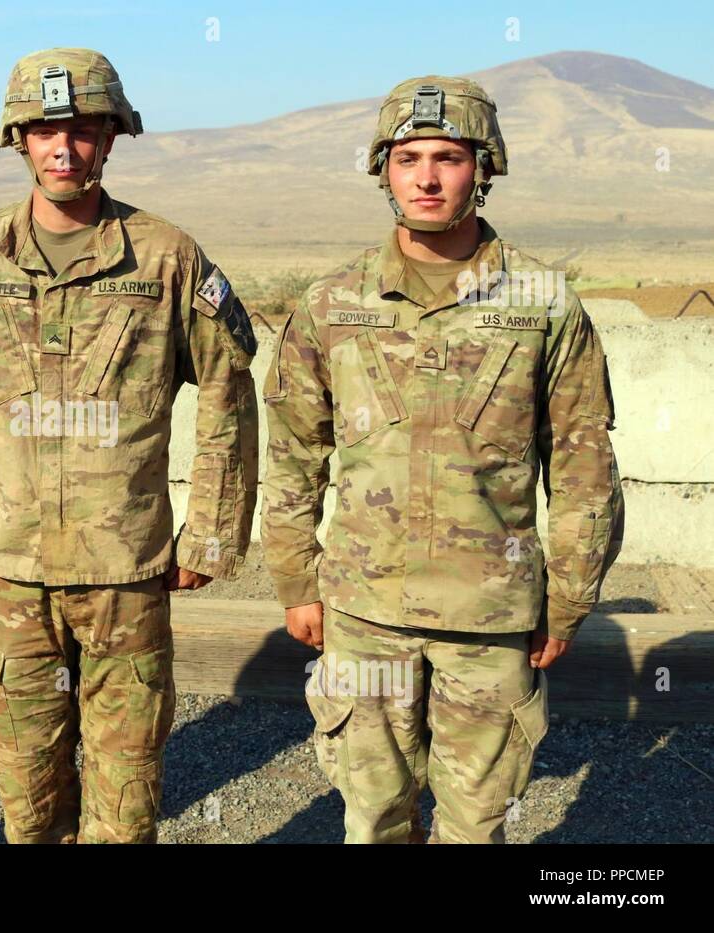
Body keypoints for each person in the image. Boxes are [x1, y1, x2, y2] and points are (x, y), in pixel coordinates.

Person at [0, 48, 259, 843]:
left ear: (111, 136)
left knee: (126, 806)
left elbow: (229, 398)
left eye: (82, 129)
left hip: (125, 577)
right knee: (28, 804)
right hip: (9, 572)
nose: (63, 148)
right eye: (43, 131)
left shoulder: (167, 257)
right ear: (18, 140)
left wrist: (208, 531)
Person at [262, 77, 624, 843]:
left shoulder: (541, 303)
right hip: (364, 614)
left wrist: (568, 599)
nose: (426, 178)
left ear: (482, 168)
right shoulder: (333, 302)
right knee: (373, 818)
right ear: (383, 170)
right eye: (408, 158)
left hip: (488, 618)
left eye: (449, 157)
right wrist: (297, 577)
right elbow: (295, 451)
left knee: (475, 824)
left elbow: (585, 467)